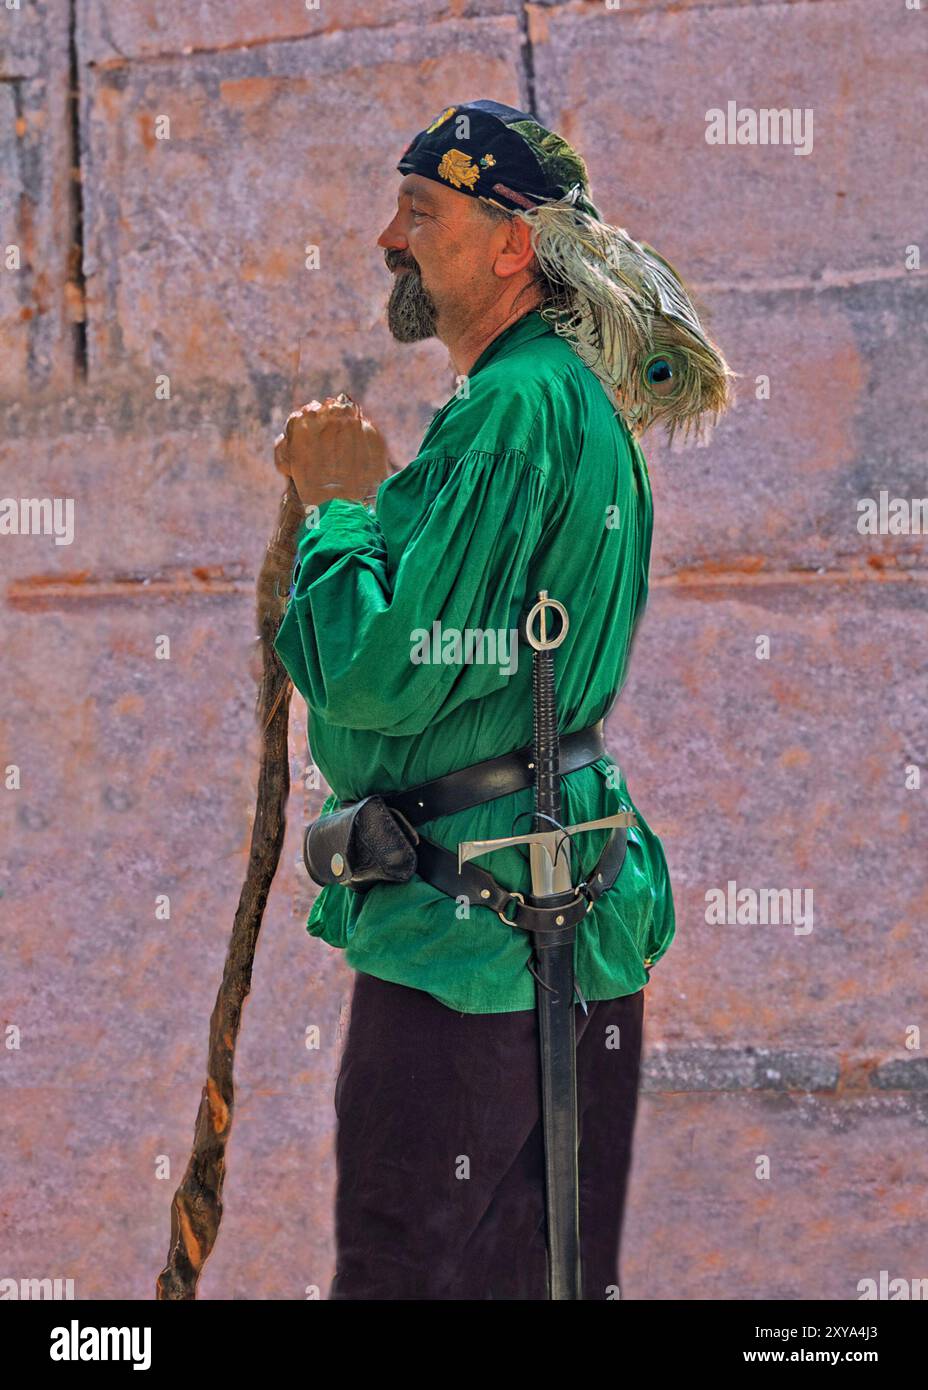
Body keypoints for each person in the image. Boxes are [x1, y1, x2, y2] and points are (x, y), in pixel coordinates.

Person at [272, 99, 733, 1300]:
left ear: (511, 242)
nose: (390, 237)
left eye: (421, 212)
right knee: (532, 1282)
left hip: (470, 938)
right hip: (566, 915)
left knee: (401, 1274)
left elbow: (383, 669)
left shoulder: (509, 409)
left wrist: (337, 505)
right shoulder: (577, 402)